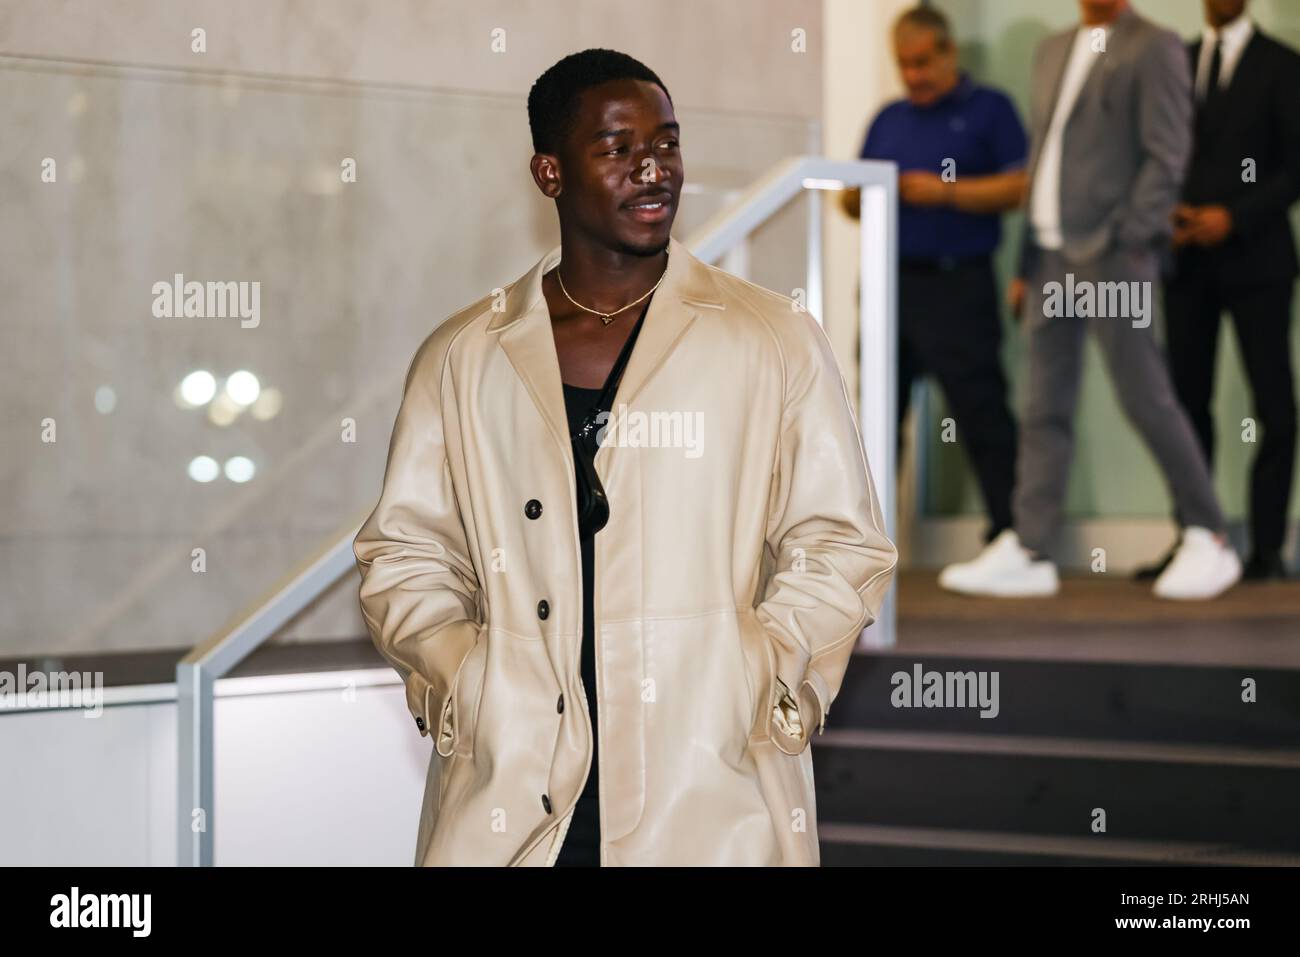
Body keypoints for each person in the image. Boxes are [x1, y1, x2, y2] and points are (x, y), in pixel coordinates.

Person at [353, 48, 897, 867]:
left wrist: (765, 671)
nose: (654, 169)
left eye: (668, 144)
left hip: (711, 786)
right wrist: (468, 678)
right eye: (617, 148)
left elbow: (841, 541)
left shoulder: (772, 337)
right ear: (549, 171)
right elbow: (406, 552)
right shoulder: (463, 355)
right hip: (514, 796)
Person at [938, 0, 1241, 600]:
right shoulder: (1053, 48)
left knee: (1145, 396)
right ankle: (1031, 547)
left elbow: (1167, 152)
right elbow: (1044, 160)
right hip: (1051, 255)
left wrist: (1131, 240)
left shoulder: (1153, 46)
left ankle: (1210, 534)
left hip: (1113, 256)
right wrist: (1027, 261)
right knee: (1043, 407)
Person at [842, 5, 1026, 549]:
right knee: (875, 415)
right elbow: (852, 201)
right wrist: (858, 194)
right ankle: (865, 545)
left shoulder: (991, 110)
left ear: (950, 52)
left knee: (980, 410)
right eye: (904, 64)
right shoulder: (888, 118)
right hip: (889, 286)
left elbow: (1021, 187)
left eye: (923, 62)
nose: (914, 75)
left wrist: (944, 192)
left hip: (958, 285)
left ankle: (1011, 537)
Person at [1138, 0, 1300, 582]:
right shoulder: (1177, 61)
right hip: (1186, 262)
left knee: (1273, 408)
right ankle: (1197, 542)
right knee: (1185, 407)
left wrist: (1234, 216)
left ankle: (1264, 551)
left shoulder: (1282, 65)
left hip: (1258, 261)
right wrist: (1169, 213)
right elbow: (1158, 150)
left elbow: (1293, 167)